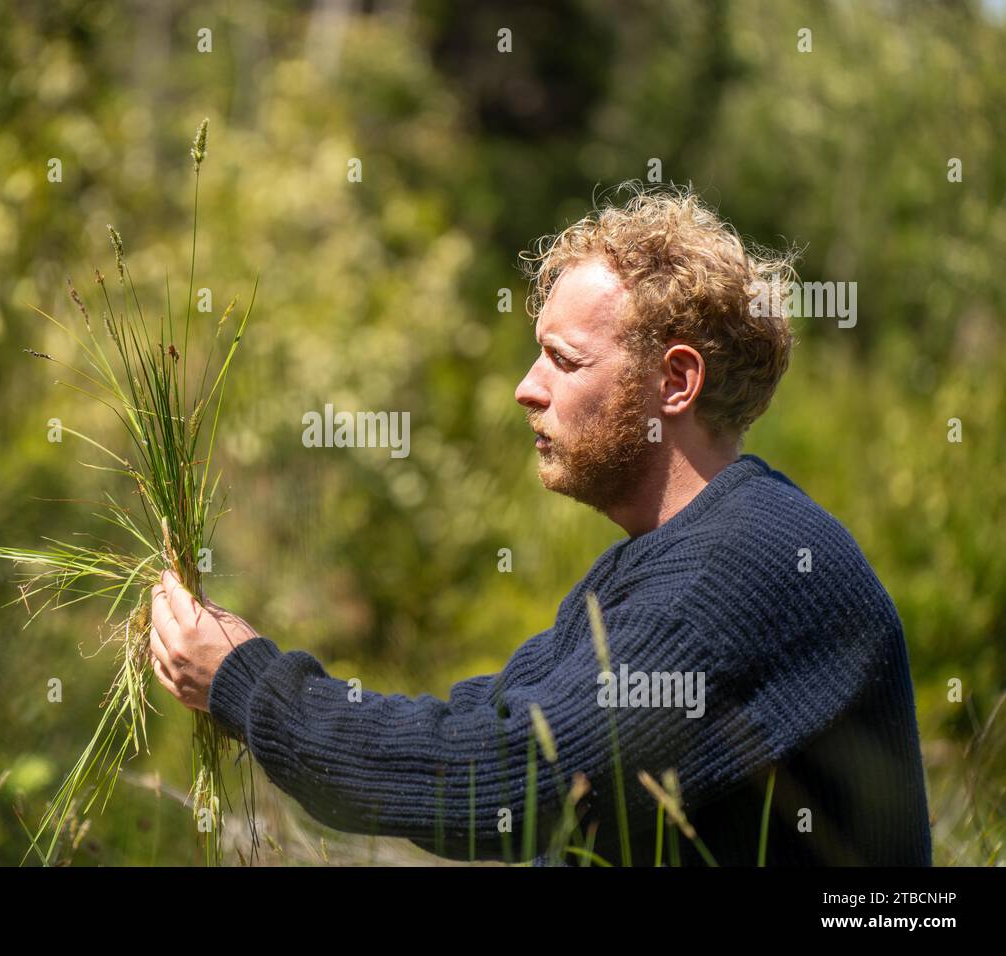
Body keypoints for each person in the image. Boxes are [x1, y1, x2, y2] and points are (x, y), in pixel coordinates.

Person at [147, 184, 932, 866]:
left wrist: (246, 684)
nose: (527, 388)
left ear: (676, 380)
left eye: (564, 359)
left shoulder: (740, 573)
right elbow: (480, 725)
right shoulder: (667, 560)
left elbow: (508, 779)